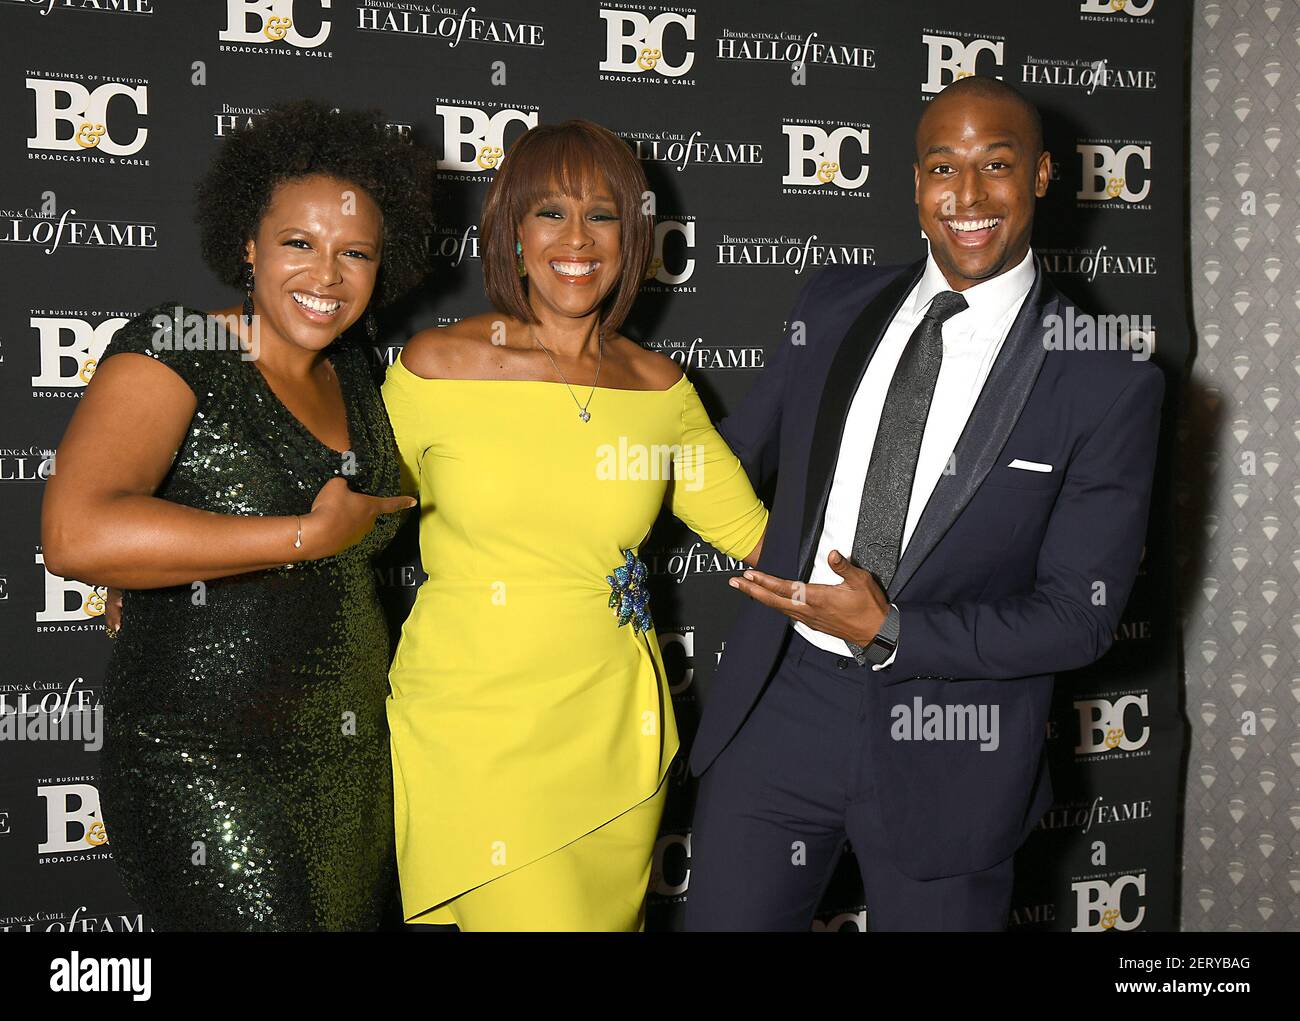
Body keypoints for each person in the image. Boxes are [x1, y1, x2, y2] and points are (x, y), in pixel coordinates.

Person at [684, 76, 1166, 931]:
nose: (969, 196)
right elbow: (721, 453)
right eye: (944, 167)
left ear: (1044, 175)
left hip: (956, 747)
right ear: (914, 183)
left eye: (998, 165)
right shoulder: (832, 305)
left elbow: (1079, 616)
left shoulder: (1105, 381)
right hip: (778, 712)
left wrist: (893, 631)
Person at [40, 100, 435, 931]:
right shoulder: (182, 343)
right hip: (203, 760)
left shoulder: (358, 378)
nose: (326, 276)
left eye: (353, 252)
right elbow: (77, 533)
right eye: (299, 243)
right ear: (247, 245)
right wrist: (301, 536)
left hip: (348, 766)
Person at [381, 119, 768, 931]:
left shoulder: (662, 390)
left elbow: (762, 541)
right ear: (512, 233)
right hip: (474, 734)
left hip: (611, 741)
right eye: (550, 212)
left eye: (603, 215)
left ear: (632, 239)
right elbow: (338, 519)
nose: (578, 239)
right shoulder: (436, 367)